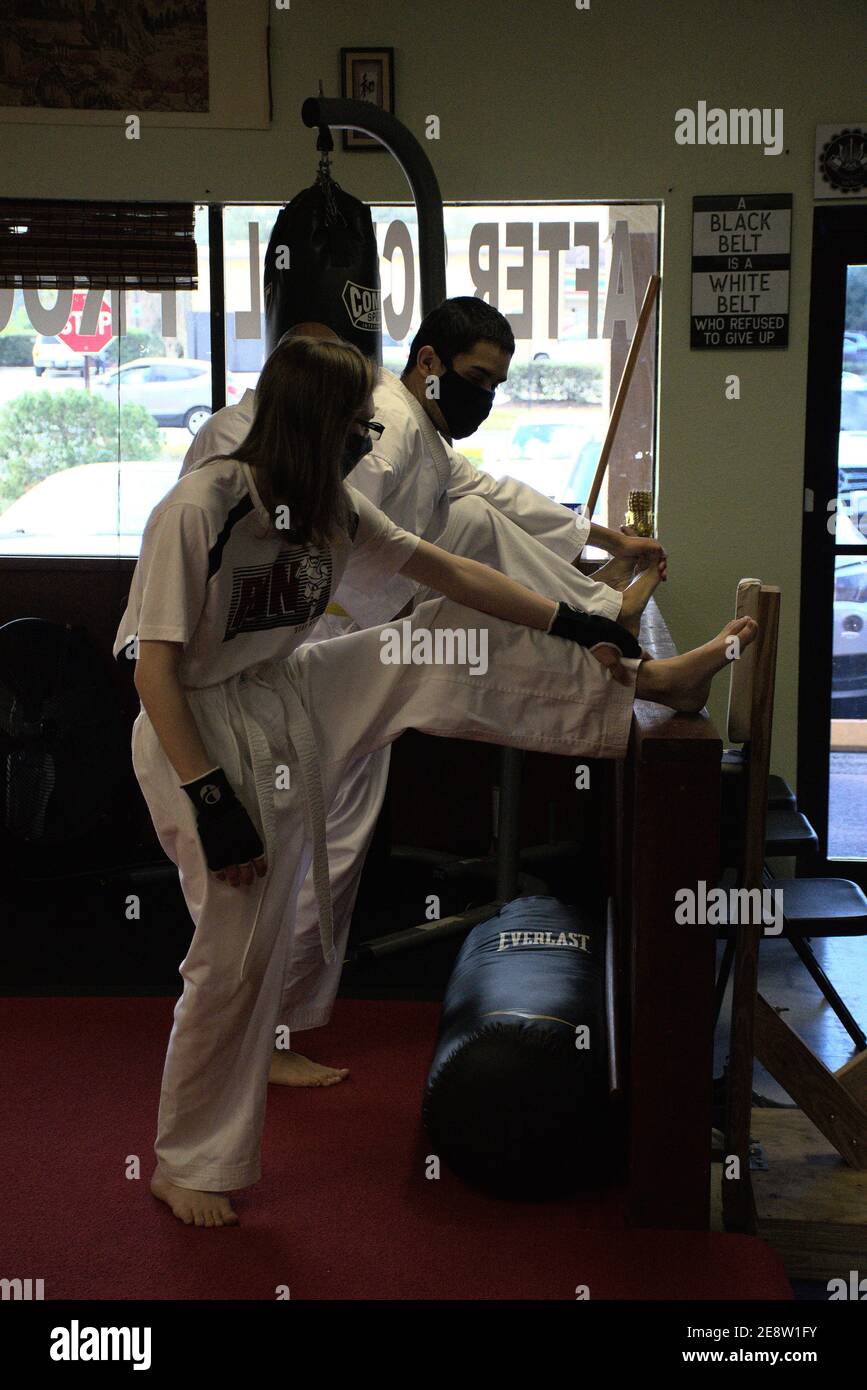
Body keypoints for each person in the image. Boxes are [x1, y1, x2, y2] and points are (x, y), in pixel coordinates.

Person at [118, 334, 755, 1227]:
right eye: (349, 428)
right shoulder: (201, 508)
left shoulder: (329, 505)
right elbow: (154, 674)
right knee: (234, 952)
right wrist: (212, 803)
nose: (359, 444)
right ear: (306, 424)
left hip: (284, 692)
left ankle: (649, 683)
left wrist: (582, 625)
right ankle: (185, 1160)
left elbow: (448, 570)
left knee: (429, 640)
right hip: (196, 727)